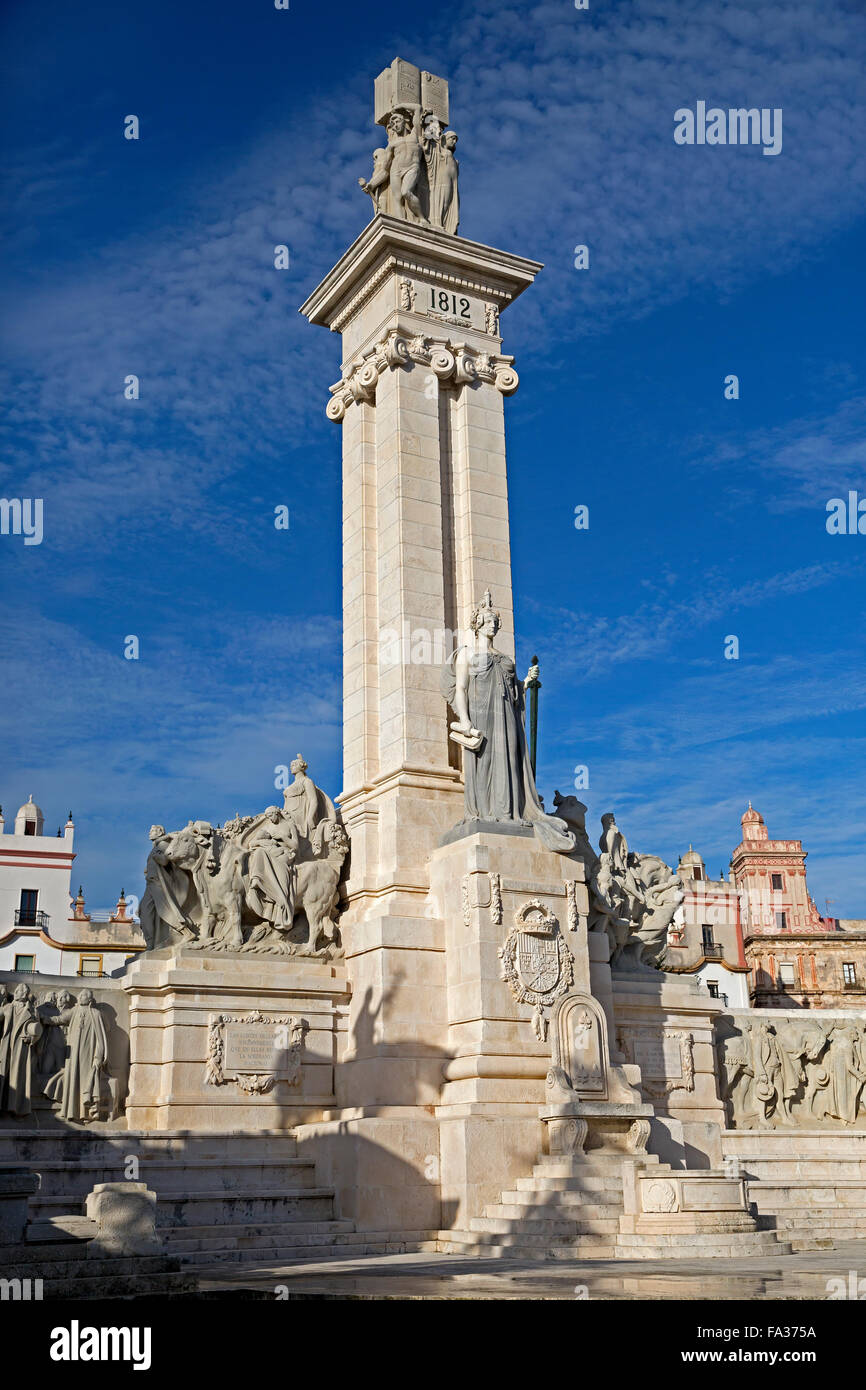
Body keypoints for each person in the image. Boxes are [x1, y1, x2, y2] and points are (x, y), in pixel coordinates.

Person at [442, 590, 574, 853]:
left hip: (506, 716)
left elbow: (513, 691)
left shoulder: (505, 658)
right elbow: (460, 689)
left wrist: (526, 681)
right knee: (486, 762)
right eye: (489, 620)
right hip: (481, 715)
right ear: (478, 623)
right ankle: (486, 812)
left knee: (510, 760)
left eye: (495, 621)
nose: (493, 624)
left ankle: (510, 813)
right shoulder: (466, 654)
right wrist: (465, 720)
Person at [0, 983, 43, 1115]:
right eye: (17, 990)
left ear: (25, 994)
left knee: (18, 1076)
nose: (18, 993)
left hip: (22, 1047)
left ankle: (16, 1108)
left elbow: (39, 1029)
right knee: (4, 1075)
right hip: (6, 1046)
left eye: (20, 991)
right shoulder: (7, 1008)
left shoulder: (33, 1010)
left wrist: (32, 1039)